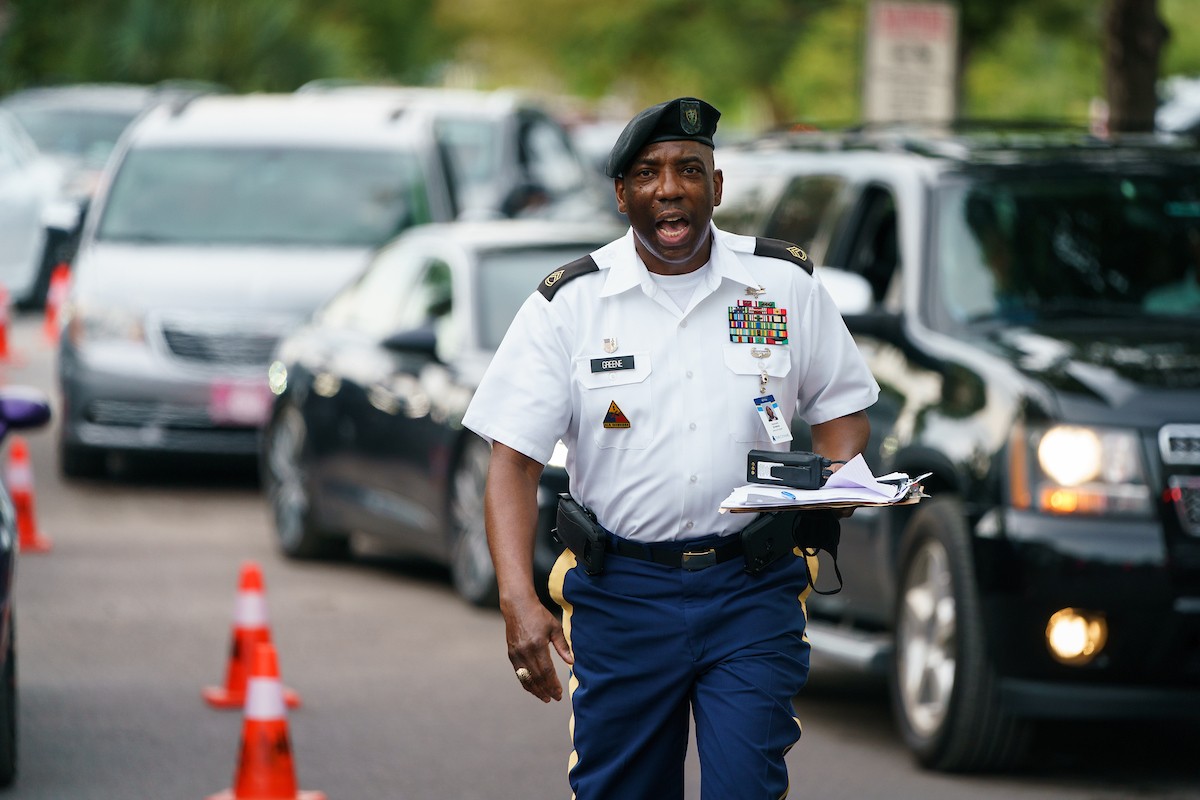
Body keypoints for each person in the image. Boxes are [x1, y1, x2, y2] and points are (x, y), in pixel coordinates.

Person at [462, 97, 879, 799]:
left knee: (747, 786)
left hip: (751, 588)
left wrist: (831, 488)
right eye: (649, 173)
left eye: (690, 169)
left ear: (717, 187)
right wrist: (516, 599)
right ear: (622, 195)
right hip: (623, 596)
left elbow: (843, 411)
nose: (670, 188)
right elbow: (513, 463)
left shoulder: (781, 284)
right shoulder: (569, 305)